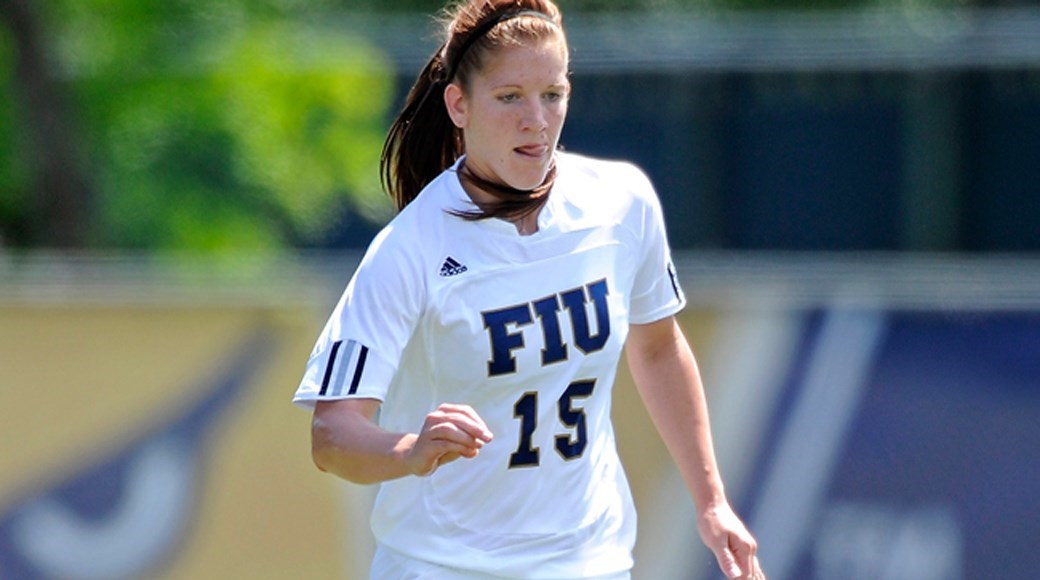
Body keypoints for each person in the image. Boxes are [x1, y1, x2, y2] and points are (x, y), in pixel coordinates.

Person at [293, 1, 763, 578]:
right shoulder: (409, 249)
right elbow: (332, 434)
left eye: (553, 94)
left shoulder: (621, 202)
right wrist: (410, 451)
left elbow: (658, 347)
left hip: (590, 563)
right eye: (510, 96)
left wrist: (712, 502)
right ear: (459, 105)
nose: (536, 120)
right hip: (444, 567)